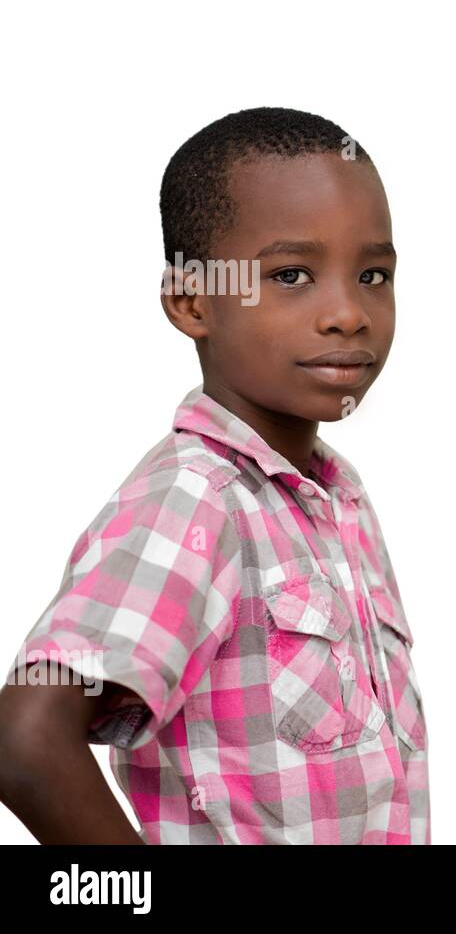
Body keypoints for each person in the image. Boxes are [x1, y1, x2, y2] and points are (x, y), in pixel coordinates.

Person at [0, 107, 429, 843]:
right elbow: (24, 740)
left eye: (373, 275)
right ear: (192, 300)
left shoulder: (339, 498)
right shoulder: (195, 500)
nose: (348, 313)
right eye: (292, 274)